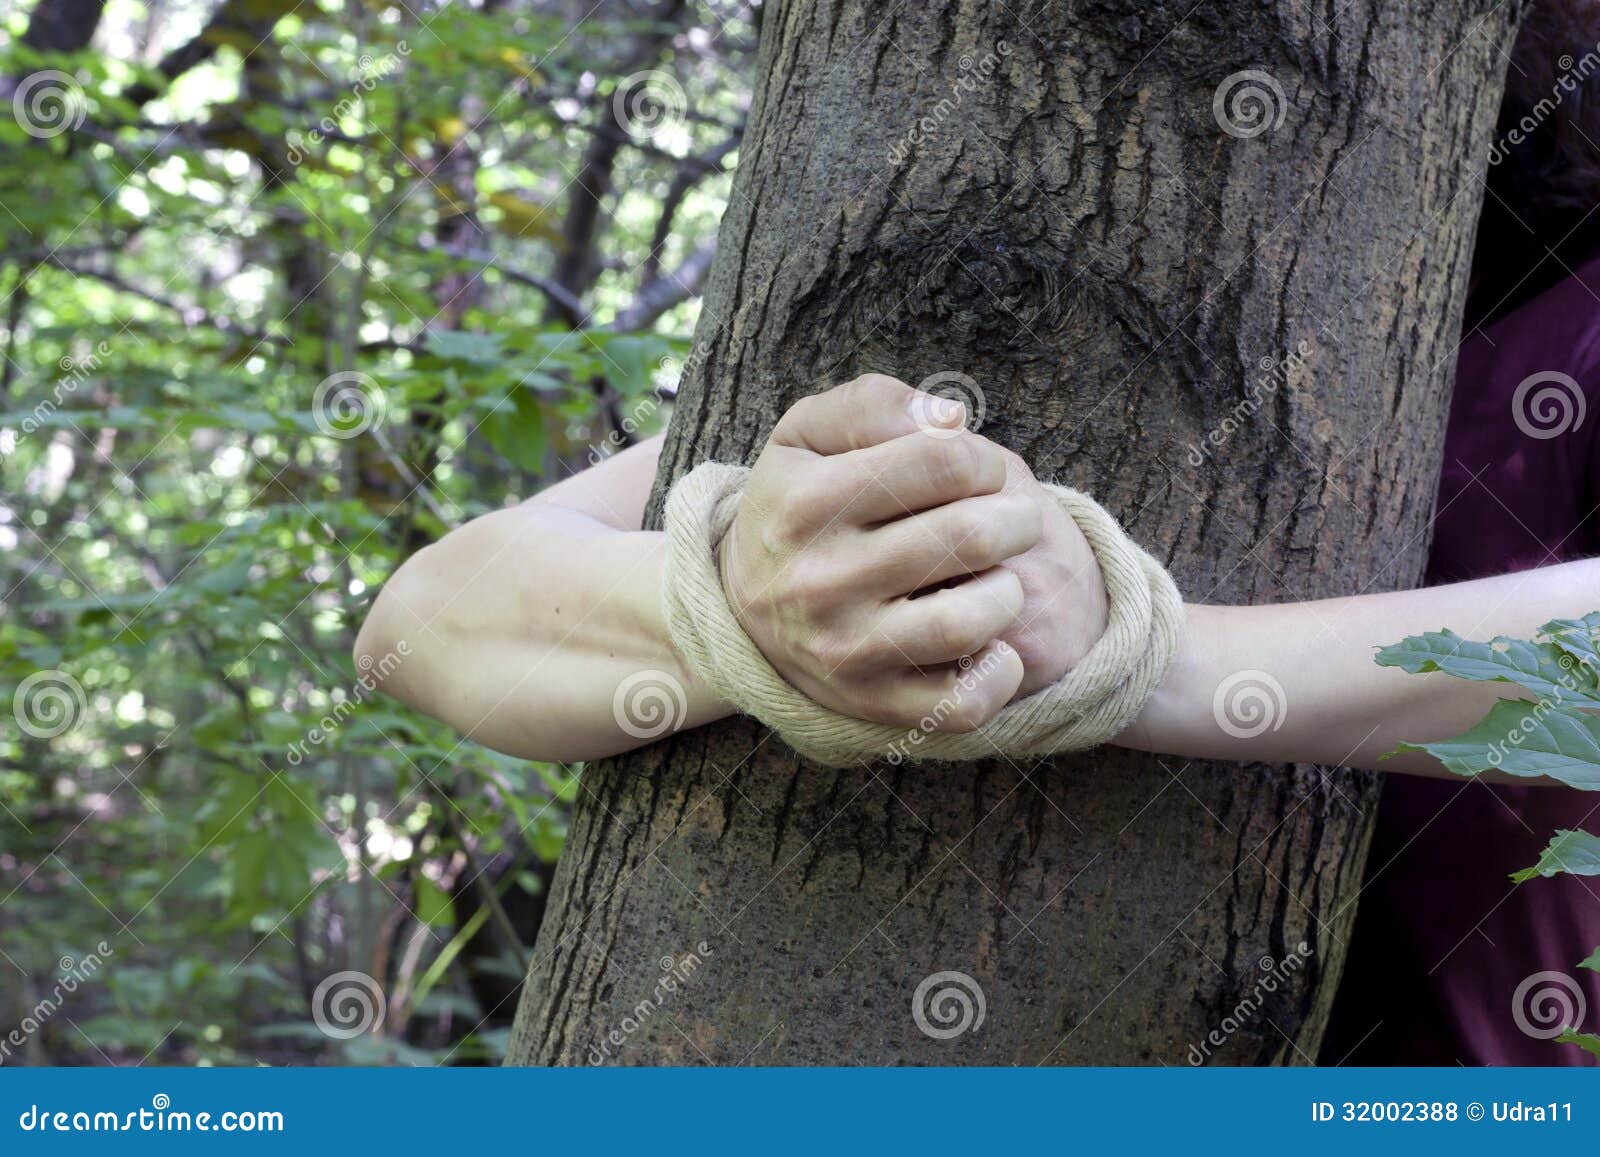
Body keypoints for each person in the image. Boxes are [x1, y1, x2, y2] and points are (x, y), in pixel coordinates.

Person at [354, 4, 1600, 1065]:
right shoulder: (999, 337)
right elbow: (420, 623)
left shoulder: (1574, 323)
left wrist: (1140, 650)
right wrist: (753, 597)